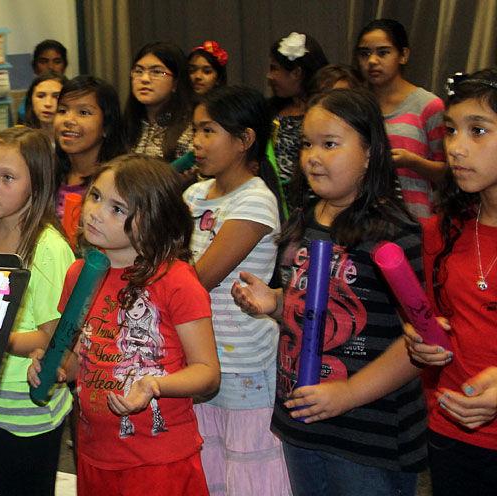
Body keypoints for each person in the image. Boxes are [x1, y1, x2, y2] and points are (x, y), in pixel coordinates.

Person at [231, 89, 427, 495]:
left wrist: (348, 393)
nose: (313, 157)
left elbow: (420, 341)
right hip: (303, 421)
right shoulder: (305, 220)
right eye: (307, 144)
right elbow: (314, 306)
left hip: (367, 437)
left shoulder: (394, 231)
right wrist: (275, 303)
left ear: (369, 152)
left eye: (330, 144)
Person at [30, 154, 220, 495]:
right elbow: (81, 360)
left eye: (117, 209)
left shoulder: (175, 280)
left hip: (157, 461)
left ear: (151, 221)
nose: (95, 212)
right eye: (95, 196)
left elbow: (207, 374)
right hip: (96, 453)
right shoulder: (80, 274)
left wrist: (153, 385)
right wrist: (54, 366)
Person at [184, 85, 289, 494]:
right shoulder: (194, 194)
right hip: (200, 354)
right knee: (210, 465)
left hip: (243, 359)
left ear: (244, 139)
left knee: (248, 472)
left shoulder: (256, 201)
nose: (196, 142)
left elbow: (199, 278)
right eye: (195, 130)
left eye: (208, 131)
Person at [403, 69, 497, 496]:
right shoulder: (442, 233)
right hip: (450, 430)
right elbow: (435, 321)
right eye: (451, 130)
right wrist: (421, 340)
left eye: (478, 131)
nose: (456, 147)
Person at [0, 127, 74, 495]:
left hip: (27, 402)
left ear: (37, 184)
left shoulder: (48, 249)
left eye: (7, 178)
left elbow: (54, 337)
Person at [354, 18, 445, 220]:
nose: (372, 61)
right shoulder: (355, 104)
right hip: (362, 218)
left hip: (414, 220)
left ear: (403, 55)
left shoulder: (429, 105)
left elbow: (449, 173)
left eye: (383, 52)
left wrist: (411, 162)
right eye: (364, 54)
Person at [54, 76, 128, 227]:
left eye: (83, 112)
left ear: (107, 126)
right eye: (62, 110)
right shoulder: (48, 172)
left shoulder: (119, 182)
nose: (68, 120)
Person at [267, 32, 329, 192]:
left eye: (274, 69)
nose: (269, 76)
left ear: (296, 73)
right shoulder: (269, 111)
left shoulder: (324, 114)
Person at [125, 42, 195, 161]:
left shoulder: (191, 129)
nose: (144, 79)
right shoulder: (125, 127)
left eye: (156, 72)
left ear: (176, 82)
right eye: (138, 71)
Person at [22, 72, 67, 141]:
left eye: (56, 97)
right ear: (31, 100)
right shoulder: (22, 140)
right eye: (40, 96)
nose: (48, 104)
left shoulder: (79, 140)